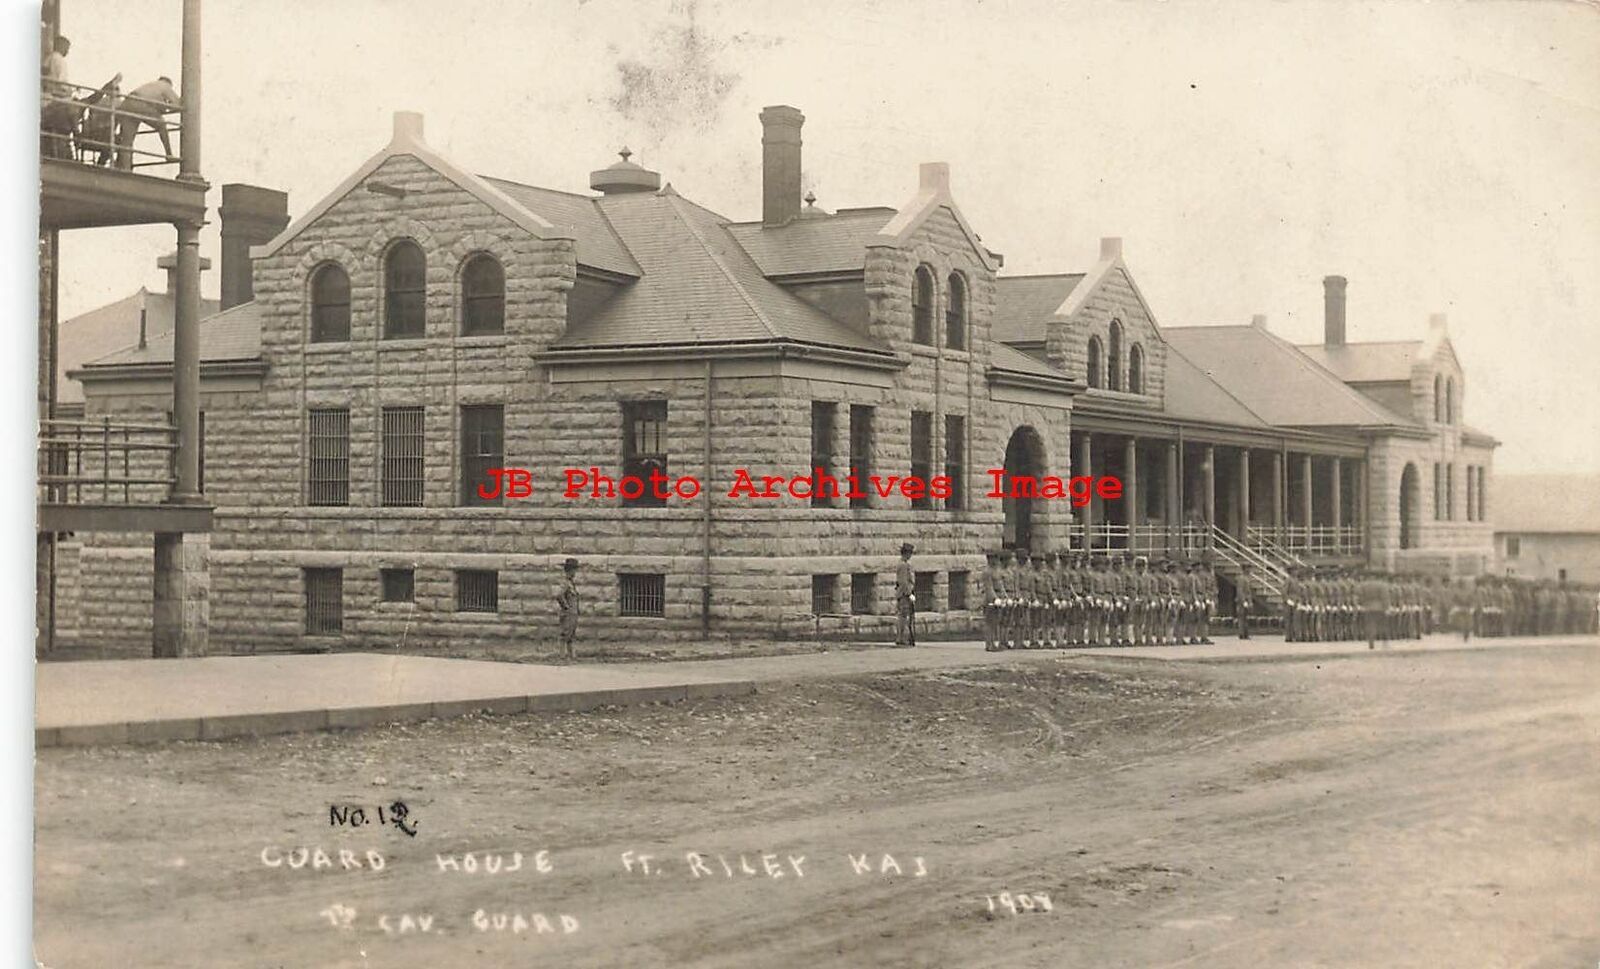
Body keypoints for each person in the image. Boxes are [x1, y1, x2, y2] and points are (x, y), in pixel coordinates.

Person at [114, 76, 180, 170]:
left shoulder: (151, 85)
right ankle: (169, 154)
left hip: (127, 102)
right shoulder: (166, 86)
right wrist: (168, 105)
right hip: (141, 104)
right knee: (162, 125)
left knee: (126, 142)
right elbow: (177, 105)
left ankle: (124, 168)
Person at [556, 557, 581, 659]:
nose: (575, 572)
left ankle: (571, 655)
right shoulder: (565, 583)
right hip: (568, 614)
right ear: (570, 570)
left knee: (571, 635)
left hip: (573, 613)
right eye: (574, 570)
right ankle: (562, 655)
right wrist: (566, 607)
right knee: (565, 635)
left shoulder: (571, 583)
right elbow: (559, 595)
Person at [980, 552, 1004, 652]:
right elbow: (989, 587)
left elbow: (1000, 585)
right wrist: (995, 598)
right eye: (994, 558)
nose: (996, 560)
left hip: (997, 597)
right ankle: (989, 644)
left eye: (996, 558)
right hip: (989, 599)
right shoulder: (987, 572)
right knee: (989, 622)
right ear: (989, 559)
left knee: (995, 622)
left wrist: (1004, 596)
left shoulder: (997, 570)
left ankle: (994, 643)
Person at [894, 542, 916, 647]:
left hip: (905, 593)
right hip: (904, 594)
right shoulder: (903, 565)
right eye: (910, 553)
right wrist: (910, 594)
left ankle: (902, 637)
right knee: (903, 616)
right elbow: (903, 582)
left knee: (904, 616)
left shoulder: (905, 564)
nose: (910, 555)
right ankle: (901, 638)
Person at [1235, 568, 1254, 640]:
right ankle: (1241, 634)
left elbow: (1248, 592)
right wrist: (1243, 601)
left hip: (1247, 600)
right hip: (1242, 601)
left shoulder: (1247, 579)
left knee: (1245, 617)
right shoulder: (1241, 579)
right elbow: (1240, 591)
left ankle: (1245, 633)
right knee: (1241, 617)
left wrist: (1249, 601)